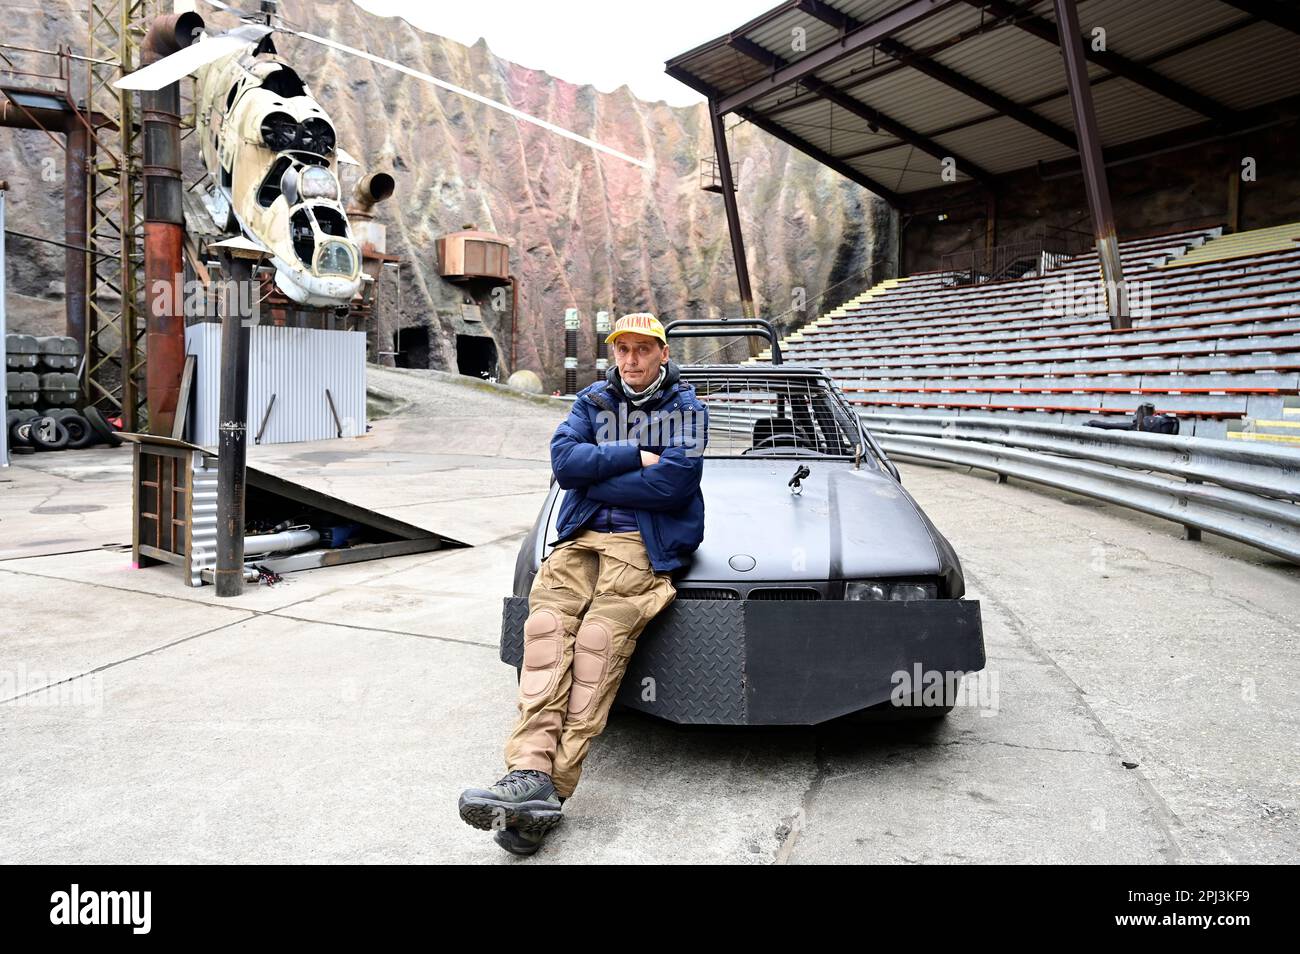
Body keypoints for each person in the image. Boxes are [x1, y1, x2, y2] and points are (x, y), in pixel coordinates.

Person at [458, 312, 708, 855]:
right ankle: (525, 773)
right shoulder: (593, 401)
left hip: (641, 546)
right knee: (546, 634)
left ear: (663, 353)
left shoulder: (686, 408)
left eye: (645, 349)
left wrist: (600, 478)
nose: (633, 360)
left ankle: (549, 790)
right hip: (579, 542)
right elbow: (564, 464)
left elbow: (674, 483)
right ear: (614, 354)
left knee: (596, 647)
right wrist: (631, 456)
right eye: (624, 350)